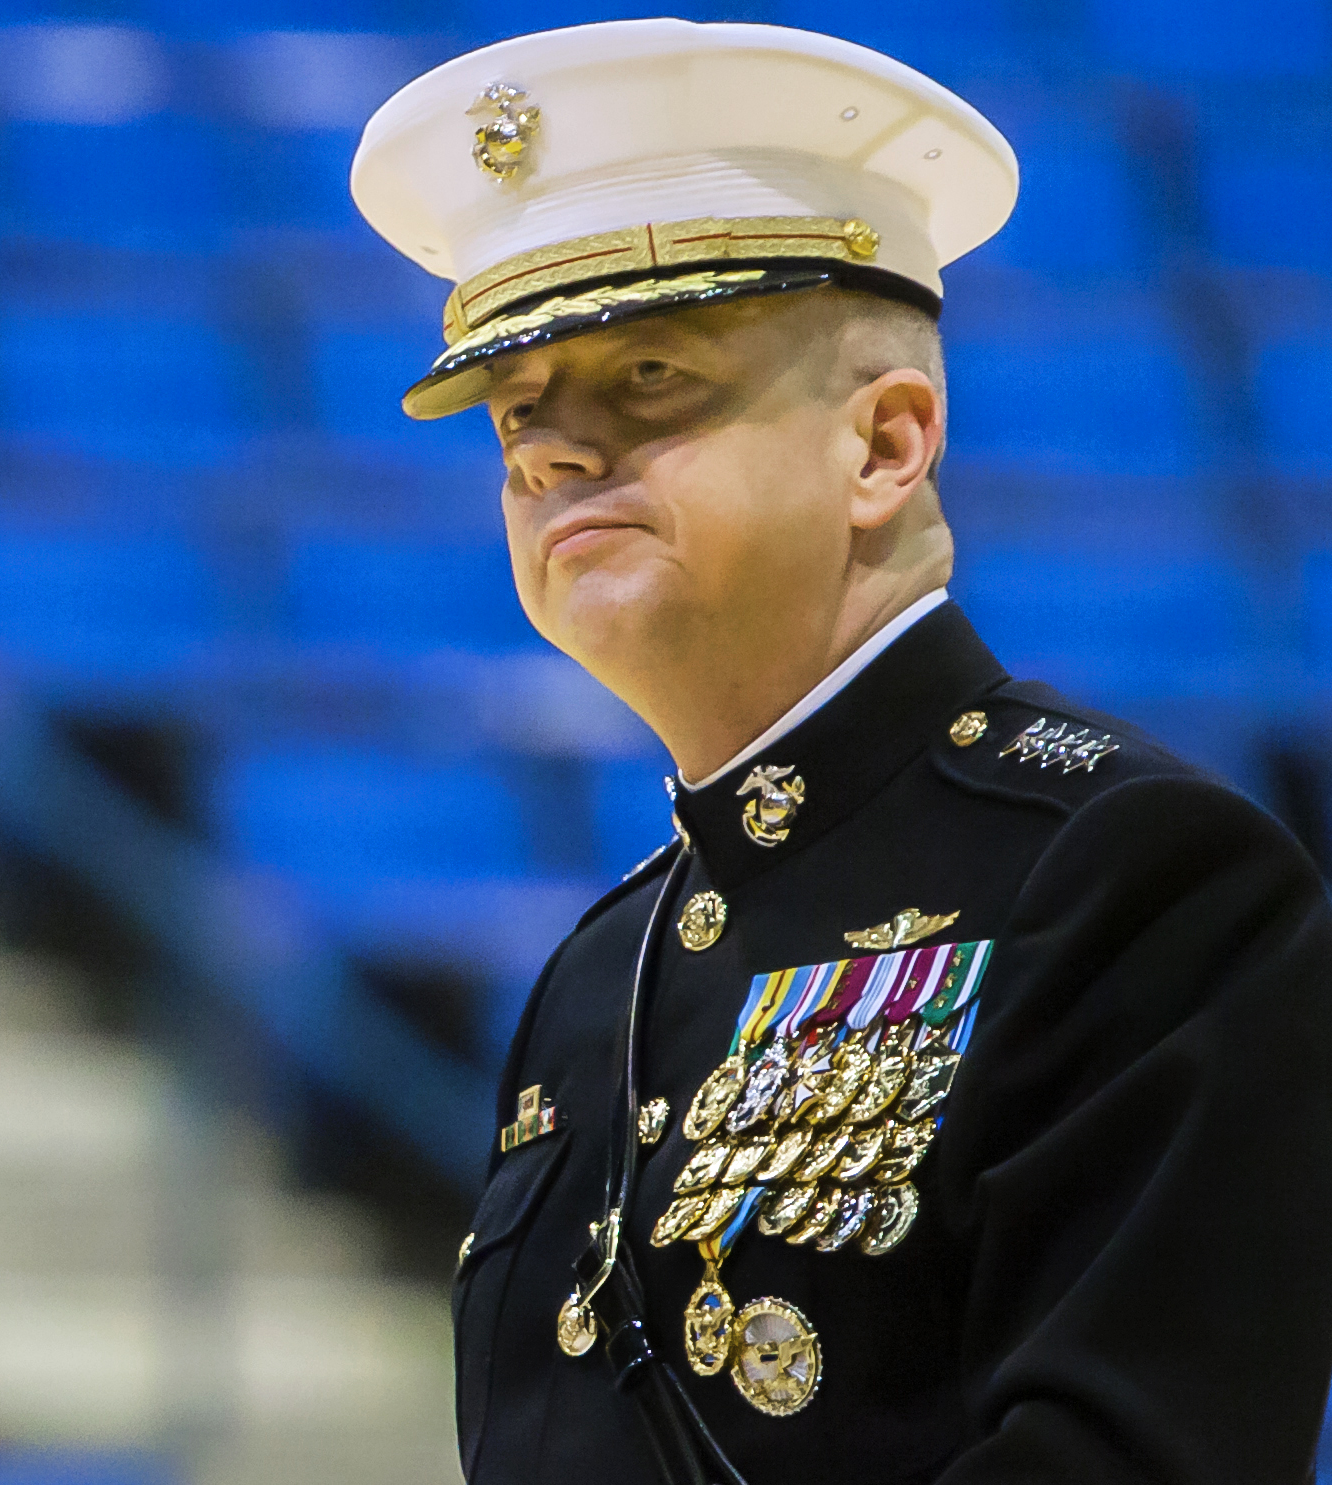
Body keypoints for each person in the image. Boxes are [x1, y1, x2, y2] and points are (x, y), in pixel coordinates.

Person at [349, 18, 1332, 1485]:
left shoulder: (1133, 877)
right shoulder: (594, 978)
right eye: (517, 414)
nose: (551, 453)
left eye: (651, 378)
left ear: (886, 444)